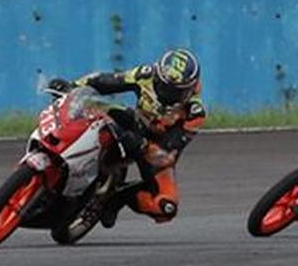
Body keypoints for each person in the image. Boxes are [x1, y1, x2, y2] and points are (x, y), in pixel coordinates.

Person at [48, 48, 206, 227]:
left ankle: (118, 198)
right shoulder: (145, 75)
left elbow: (171, 150)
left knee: (166, 208)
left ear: (190, 88)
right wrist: (73, 87)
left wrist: (144, 146)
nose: (167, 93)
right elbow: (108, 81)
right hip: (134, 124)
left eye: (175, 91)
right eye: (164, 86)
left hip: (156, 151)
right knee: (99, 110)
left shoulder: (195, 113)